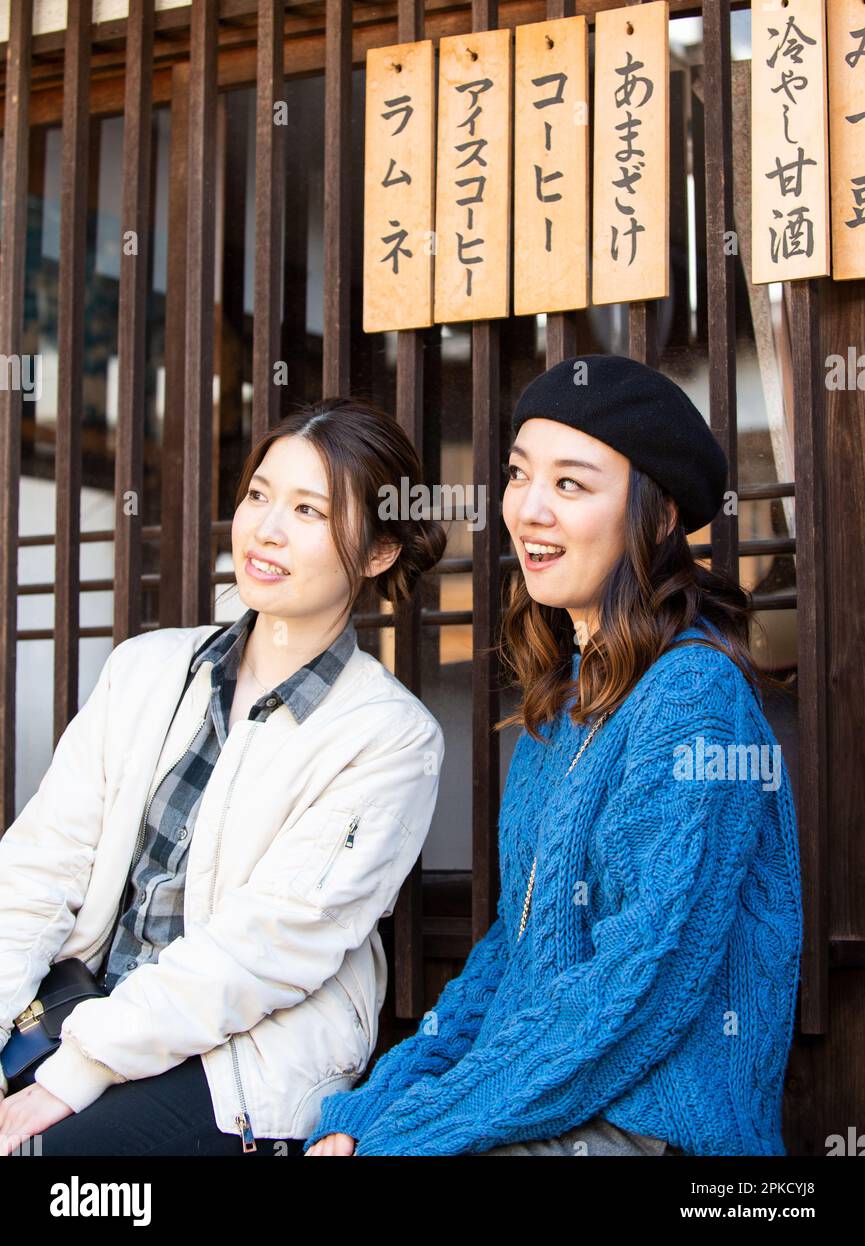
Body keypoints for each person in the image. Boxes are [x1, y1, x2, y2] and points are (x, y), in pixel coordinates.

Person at [303, 354, 803, 1157]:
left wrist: (410, 1134)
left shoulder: (691, 698)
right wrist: (369, 1113)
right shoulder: (562, 699)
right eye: (516, 476)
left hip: (651, 1130)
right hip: (549, 1103)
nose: (528, 510)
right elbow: (512, 952)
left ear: (660, 513)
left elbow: (632, 992)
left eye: (571, 485)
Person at [0, 396, 446, 1156]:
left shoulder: (390, 738)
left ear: (376, 553)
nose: (266, 530)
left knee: (57, 1163)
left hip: (238, 1053)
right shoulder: (147, 669)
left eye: (309, 511)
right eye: (259, 496)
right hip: (80, 1005)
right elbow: (43, 862)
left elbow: (261, 950)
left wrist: (77, 1069)